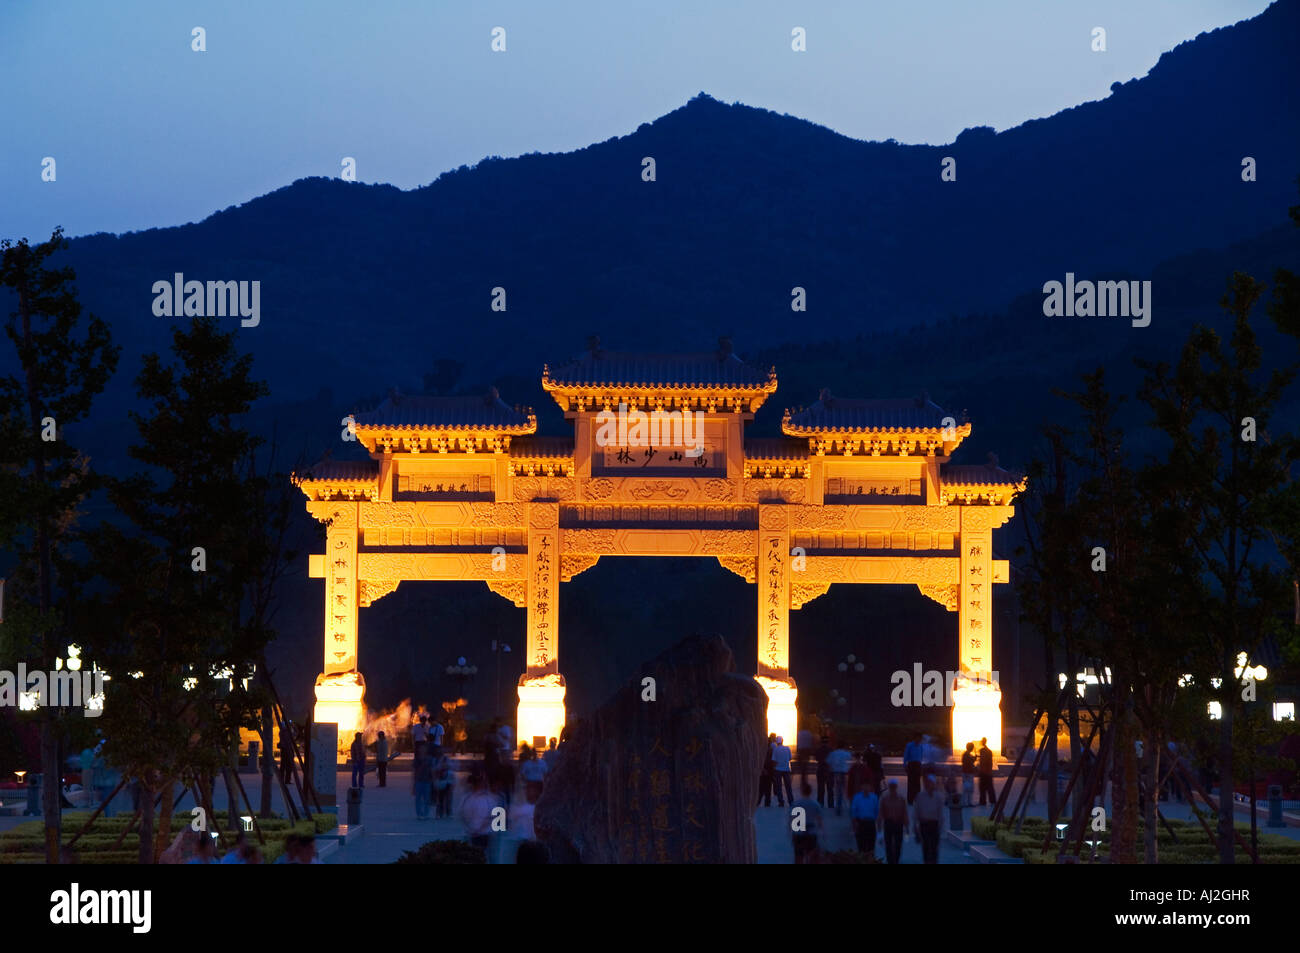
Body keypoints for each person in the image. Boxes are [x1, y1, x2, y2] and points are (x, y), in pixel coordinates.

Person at [461, 770, 499, 855]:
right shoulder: (468, 798)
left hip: (483, 834)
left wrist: (477, 829)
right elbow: (463, 815)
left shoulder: (489, 799)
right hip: (473, 833)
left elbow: (491, 817)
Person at [913, 775, 944, 864]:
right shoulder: (920, 796)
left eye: (931, 783)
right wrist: (915, 826)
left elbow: (940, 813)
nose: (928, 784)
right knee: (926, 847)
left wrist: (940, 827)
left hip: (934, 824)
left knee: (934, 848)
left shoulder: (938, 797)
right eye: (927, 782)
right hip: (924, 824)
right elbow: (916, 811)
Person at [790, 781, 822, 864]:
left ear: (801, 791)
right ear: (811, 792)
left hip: (799, 833)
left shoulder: (796, 804)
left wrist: (792, 832)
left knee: (798, 857)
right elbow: (819, 820)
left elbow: (792, 820)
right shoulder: (815, 804)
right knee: (812, 856)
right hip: (811, 832)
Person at [879, 779, 908, 864]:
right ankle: (890, 861)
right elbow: (881, 813)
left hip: (898, 823)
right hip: (888, 823)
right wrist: (879, 829)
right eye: (891, 787)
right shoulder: (884, 799)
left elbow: (904, 813)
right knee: (888, 845)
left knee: (898, 845)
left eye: (894, 787)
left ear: (896, 787)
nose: (893, 788)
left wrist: (906, 827)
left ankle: (896, 861)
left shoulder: (901, 799)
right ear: (889, 787)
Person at [850, 782, 880, 855]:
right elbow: (853, 811)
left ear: (870, 787)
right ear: (861, 787)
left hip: (871, 823)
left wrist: (878, 824)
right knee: (861, 846)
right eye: (864, 785)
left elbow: (877, 811)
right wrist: (854, 824)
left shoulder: (874, 797)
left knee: (871, 846)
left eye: (868, 785)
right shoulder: (857, 797)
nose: (866, 787)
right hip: (860, 823)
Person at [826, 741, 852, 815]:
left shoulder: (833, 753)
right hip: (844, 773)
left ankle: (838, 807)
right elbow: (850, 758)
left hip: (835, 773)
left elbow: (828, 762)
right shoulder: (846, 753)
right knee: (844, 790)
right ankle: (846, 806)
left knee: (837, 791)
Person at [771, 735, 794, 807]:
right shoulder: (787, 748)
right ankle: (791, 801)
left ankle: (781, 802)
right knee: (788, 786)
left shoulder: (775, 749)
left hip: (778, 769)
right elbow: (790, 758)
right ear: (782, 741)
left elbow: (774, 760)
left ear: (776, 742)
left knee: (779, 786)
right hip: (786, 769)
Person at [903, 733, 924, 804]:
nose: (918, 740)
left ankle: (917, 799)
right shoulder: (909, 745)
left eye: (920, 738)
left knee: (917, 783)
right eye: (917, 738)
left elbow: (921, 755)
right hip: (911, 764)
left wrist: (921, 765)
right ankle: (910, 800)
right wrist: (904, 764)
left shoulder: (921, 746)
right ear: (914, 738)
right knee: (911, 783)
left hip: (918, 764)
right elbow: (906, 755)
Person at [433, 749, 454, 818]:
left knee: (448, 799)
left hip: (448, 781)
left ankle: (448, 813)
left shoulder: (446, 759)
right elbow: (435, 770)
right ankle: (439, 813)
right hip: (440, 782)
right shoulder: (436, 760)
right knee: (440, 799)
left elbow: (451, 768)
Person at [413, 750, 433, 819]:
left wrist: (433, 780)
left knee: (426, 798)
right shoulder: (417, 760)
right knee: (418, 799)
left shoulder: (429, 759)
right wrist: (413, 783)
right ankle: (419, 814)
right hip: (419, 780)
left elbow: (431, 770)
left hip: (427, 781)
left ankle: (425, 814)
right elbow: (414, 772)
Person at [813, 735, 832, 807]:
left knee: (820, 789)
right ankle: (830, 805)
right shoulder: (830, 750)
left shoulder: (818, 749)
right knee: (830, 789)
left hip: (820, 769)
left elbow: (816, 758)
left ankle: (820, 804)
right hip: (828, 770)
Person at [757, 733, 775, 808]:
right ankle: (766, 802)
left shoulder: (762, 750)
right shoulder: (770, 750)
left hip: (765, 770)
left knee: (762, 788)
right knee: (767, 787)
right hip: (768, 770)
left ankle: (759, 802)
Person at [977, 737, 996, 806]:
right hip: (988, 772)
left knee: (982, 787)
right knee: (990, 787)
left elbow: (983, 761)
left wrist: (980, 768)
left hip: (984, 772)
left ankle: (983, 801)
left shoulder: (982, 751)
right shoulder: (989, 751)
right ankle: (992, 800)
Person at [961, 741, 977, 807]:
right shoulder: (967, 754)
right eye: (972, 747)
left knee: (967, 788)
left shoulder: (966, 754)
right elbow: (969, 763)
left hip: (966, 772)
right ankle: (967, 802)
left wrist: (974, 758)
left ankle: (967, 802)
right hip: (968, 773)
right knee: (968, 788)